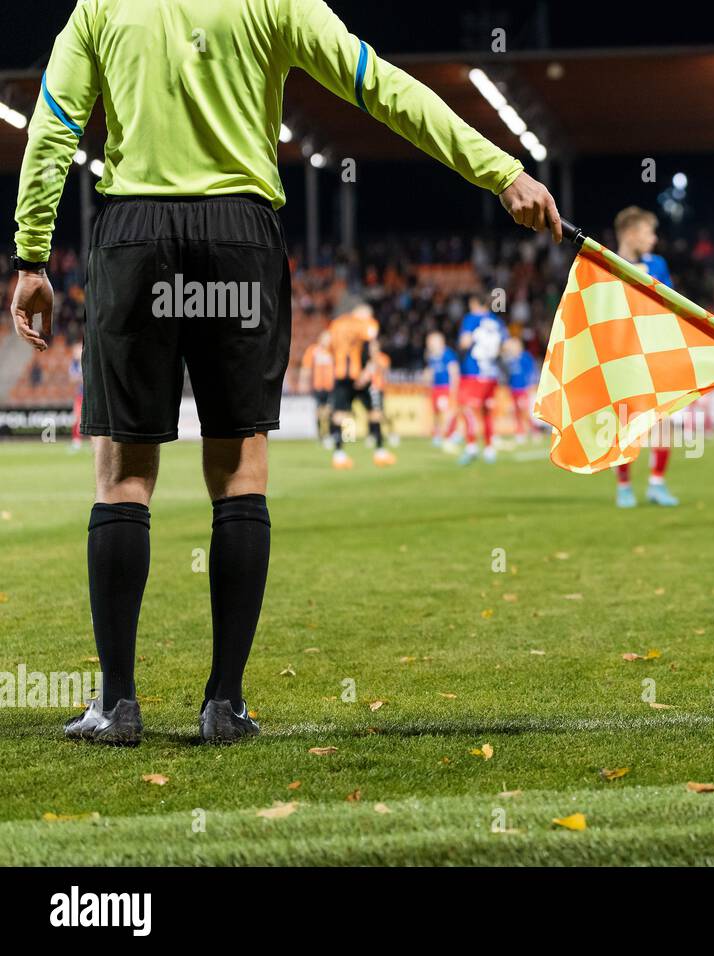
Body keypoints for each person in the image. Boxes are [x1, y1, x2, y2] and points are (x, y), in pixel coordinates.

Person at [8, 0, 561, 745]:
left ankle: (117, 705)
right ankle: (224, 706)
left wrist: (33, 257)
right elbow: (386, 90)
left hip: (136, 239)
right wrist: (499, 172)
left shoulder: (100, 7)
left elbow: (52, 129)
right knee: (240, 468)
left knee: (123, 472)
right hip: (239, 240)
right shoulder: (277, 2)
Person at [612, 206, 677, 508]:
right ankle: (624, 486)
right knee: (625, 425)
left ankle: (657, 484)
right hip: (621, 357)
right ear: (630, 233)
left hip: (654, 353)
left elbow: (673, 303)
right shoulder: (605, 264)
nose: (654, 239)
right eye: (649, 232)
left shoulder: (658, 264)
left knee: (662, 422)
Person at [326, 302, 394, 469]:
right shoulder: (367, 324)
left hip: (341, 375)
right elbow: (373, 348)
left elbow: (329, 348)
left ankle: (339, 455)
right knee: (374, 412)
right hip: (361, 374)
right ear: (363, 312)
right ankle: (379, 452)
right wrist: (367, 372)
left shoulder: (336, 324)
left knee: (339, 414)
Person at [456, 291, 506, 465]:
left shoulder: (471, 318)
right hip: (491, 373)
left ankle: (471, 447)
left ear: (473, 303)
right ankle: (489, 448)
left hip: (473, 371)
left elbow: (465, 342)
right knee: (486, 411)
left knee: (467, 408)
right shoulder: (497, 321)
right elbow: (503, 347)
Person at [298, 329, 335, 444]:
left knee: (330, 410)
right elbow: (306, 367)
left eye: (329, 338)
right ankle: (321, 435)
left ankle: (330, 434)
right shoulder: (313, 350)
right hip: (318, 386)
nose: (327, 341)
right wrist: (302, 382)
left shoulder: (333, 351)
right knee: (319, 411)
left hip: (331, 386)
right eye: (326, 338)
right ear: (320, 339)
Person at [425, 330, 459, 448]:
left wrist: (454, 387)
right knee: (436, 413)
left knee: (447, 412)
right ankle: (438, 433)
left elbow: (454, 370)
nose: (429, 343)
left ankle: (451, 433)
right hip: (435, 388)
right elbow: (431, 372)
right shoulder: (431, 356)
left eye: (431, 341)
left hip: (445, 388)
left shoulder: (447, 354)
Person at [502, 336, 537, 443]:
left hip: (523, 389)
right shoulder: (510, 359)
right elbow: (507, 374)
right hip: (513, 389)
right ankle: (520, 432)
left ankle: (535, 431)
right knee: (516, 411)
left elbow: (531, 372)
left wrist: (530, 386)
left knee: (525, 410)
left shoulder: (525, 357)